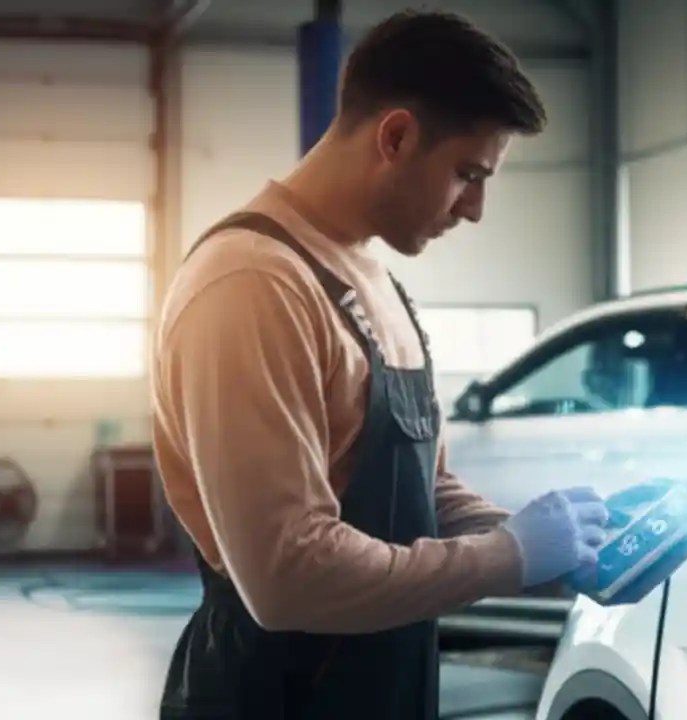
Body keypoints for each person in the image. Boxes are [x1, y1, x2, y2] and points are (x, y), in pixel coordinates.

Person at [151, 10, 610, 719]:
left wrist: (558, 549)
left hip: (382, 685)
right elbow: (289, 577)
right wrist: (509, 556)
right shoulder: (251, 284)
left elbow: (422, 494)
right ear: (395, 137)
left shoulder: (373, 278)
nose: (477, 209)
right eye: (467, 174)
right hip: (277, 698)